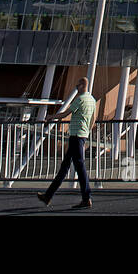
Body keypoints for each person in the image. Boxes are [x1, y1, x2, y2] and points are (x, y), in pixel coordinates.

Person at [37, 76, 96, 209]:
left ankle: (87, 198)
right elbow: (94, 118)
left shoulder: (80, 100)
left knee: (80, 168)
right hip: (82, 135)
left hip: (76, 136)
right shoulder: (91, 99)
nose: (76, 88)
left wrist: (51, 117)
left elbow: (65, 114)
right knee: (65, 167)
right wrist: (87, 131)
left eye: (77, 85)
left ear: (82, 85)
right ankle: (48, 195)